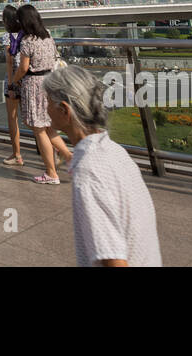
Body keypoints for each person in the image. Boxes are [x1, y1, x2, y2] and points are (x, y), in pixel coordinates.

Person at [44, 65, 162, 266]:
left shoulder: (88, 172)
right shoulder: (115, 151)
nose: (45, 109)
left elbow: (113, 260)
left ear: (64, 110)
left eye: (47, 102)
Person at [8, 4, 72, 184]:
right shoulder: (48, 35)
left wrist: (13, 81)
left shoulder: (28, 41)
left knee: (39, 129)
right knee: (47, 126)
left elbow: (24, 67)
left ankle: (51, 173)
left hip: (34, 84)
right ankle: (69, 156)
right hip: (49, 82)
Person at [0, 4, 26, 167]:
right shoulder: (26, 35)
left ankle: (17, 154)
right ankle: (52, 150)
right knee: (33, 118)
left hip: (13, 80)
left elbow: (9, 62)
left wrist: (10, 84)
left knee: (13, 118)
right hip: (26, 79)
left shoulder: (7, 37)